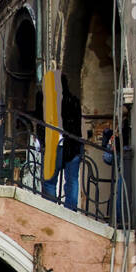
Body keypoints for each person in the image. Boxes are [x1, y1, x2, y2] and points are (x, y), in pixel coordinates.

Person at [58, 74, 83, 211]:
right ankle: (70, 210)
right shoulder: (74, 101)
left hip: (65, 144)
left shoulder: (57, 103)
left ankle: (63, 210)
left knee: (60, 180)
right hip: (75, 144)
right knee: (72, 180)